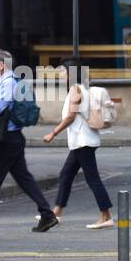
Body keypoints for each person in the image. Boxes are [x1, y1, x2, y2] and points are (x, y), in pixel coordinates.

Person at [0, 49, 59, 233]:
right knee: (25, 179)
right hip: (13, 138)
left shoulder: (6, 84)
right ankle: (47, 215)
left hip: (5, 140)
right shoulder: (13, 81)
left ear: (1, 65)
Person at [42, 59, 113, 229]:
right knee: (66, 174)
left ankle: (106, 216)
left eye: (64, 72)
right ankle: (56, 214)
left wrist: (53, 132)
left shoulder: (76, 89)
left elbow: (70, 117)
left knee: (93, 179)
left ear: (72, 73)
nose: (61, 75)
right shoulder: (83, 88)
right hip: (82, 141)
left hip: (83, 141)